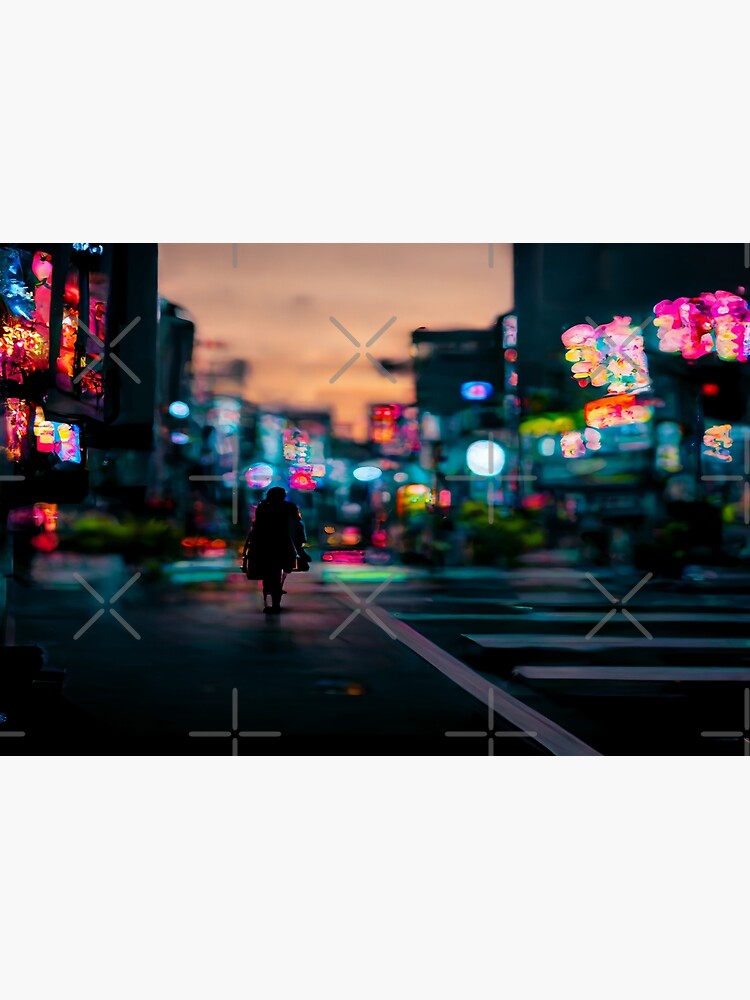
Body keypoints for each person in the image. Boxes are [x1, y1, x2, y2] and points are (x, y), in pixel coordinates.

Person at [243, 487, 307, 614]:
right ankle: (276, 597)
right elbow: (297, 526)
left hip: (265, 544)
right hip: (283, 543)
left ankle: (269, 596)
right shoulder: (289, 507)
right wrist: (300, 546)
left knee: (266, 571)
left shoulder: (263, 506)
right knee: (283, 568)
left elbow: (257, 527)